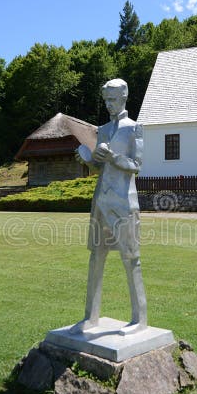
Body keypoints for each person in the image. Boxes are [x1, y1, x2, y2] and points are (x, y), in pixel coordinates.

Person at [70, 78, 147, 336]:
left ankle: (140, 319)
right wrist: (88, 159)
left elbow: (136, 165)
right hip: (100, 202)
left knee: (131, 259)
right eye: (106, 100)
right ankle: (91, 317)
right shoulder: (102, 130)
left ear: (124, 97)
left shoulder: (134, 128)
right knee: (96, 258)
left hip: (124, 203)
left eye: (113, 100)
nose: (109, 105)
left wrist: (113, 157)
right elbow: (99, 166)